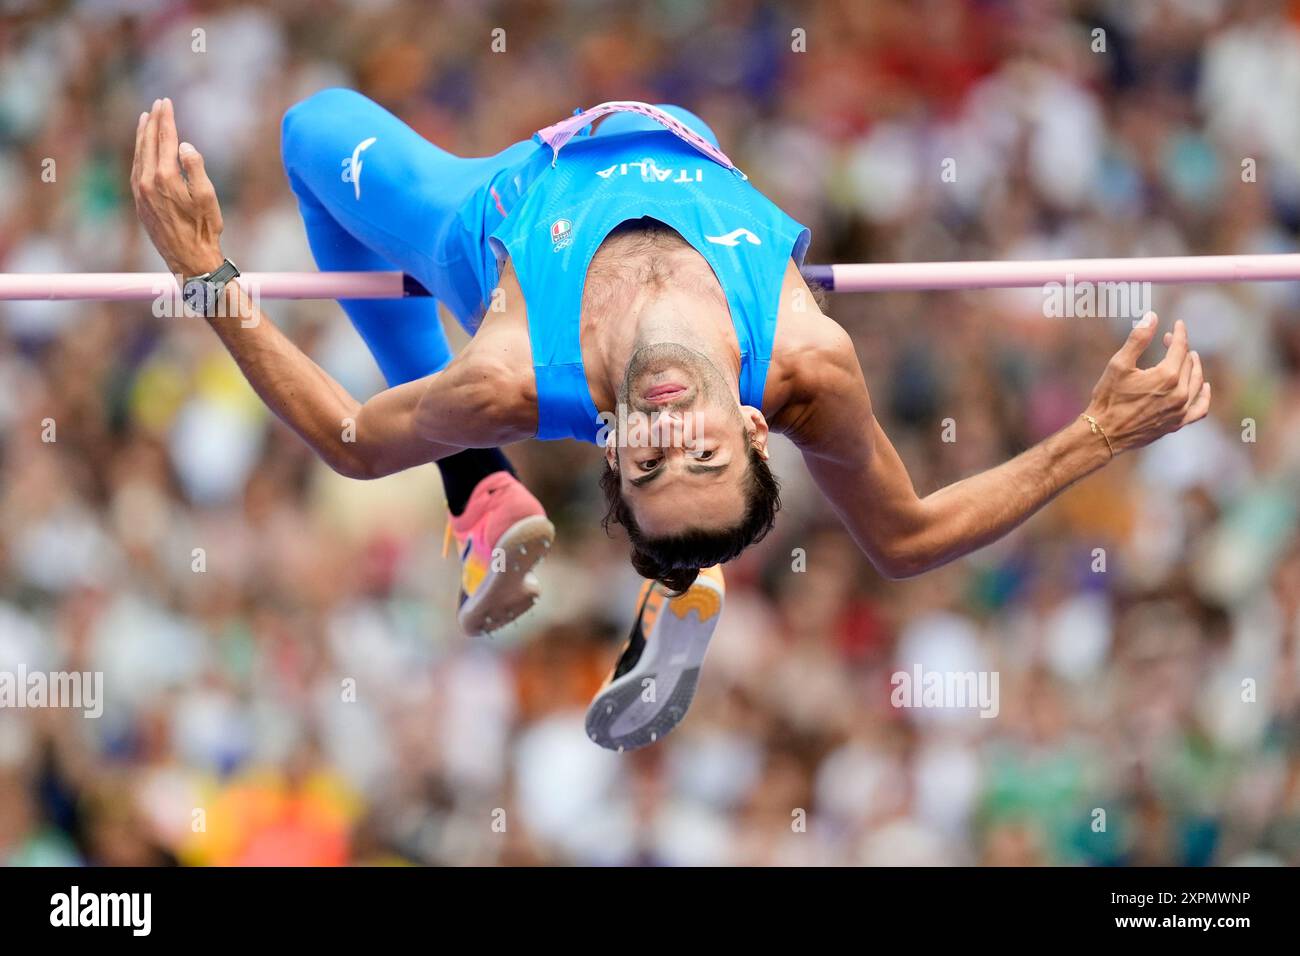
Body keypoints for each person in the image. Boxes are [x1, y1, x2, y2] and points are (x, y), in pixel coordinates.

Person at [129, 94, 1211, 750]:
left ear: (610, 449)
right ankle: (555, 519)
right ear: (750, 425)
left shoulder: (511, 370)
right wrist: (1097, 434)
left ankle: (478, 490)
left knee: (310, 131)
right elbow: (907, 537)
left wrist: (206, 274)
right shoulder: (802, 362)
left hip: (493, 204)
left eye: (647, 462)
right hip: (659, 157)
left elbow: (354, 442)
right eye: (702, 451)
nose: (665, 430)